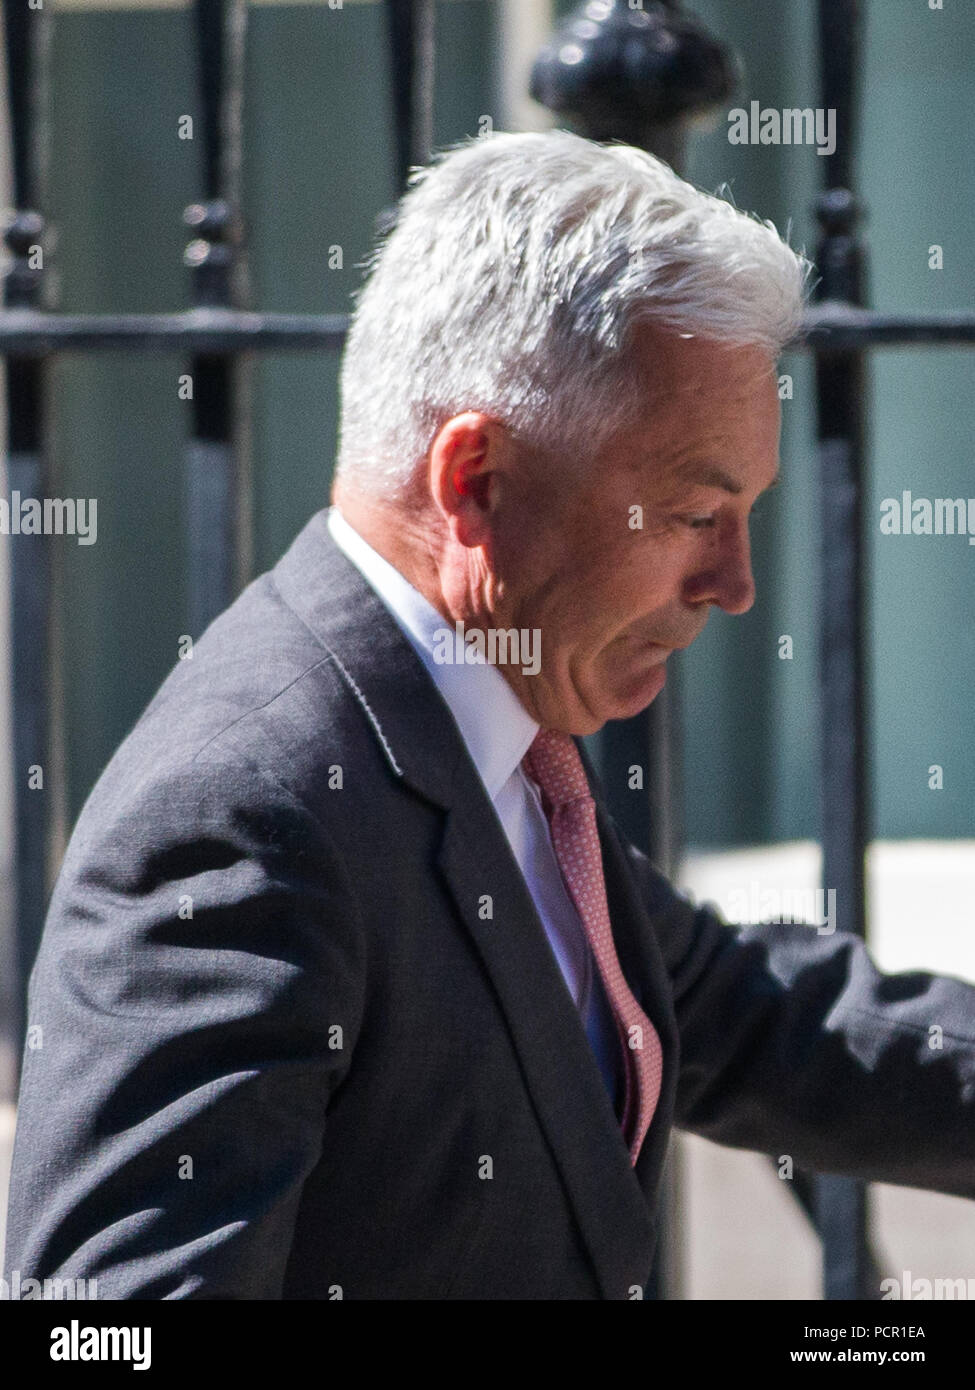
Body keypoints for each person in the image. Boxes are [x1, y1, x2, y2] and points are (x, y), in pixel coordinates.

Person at [5, 130, 975, 1301]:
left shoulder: (487, 738)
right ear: (476, 481)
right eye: (688, 515)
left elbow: (745, 1014)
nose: (736, 586)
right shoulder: (243, 815)